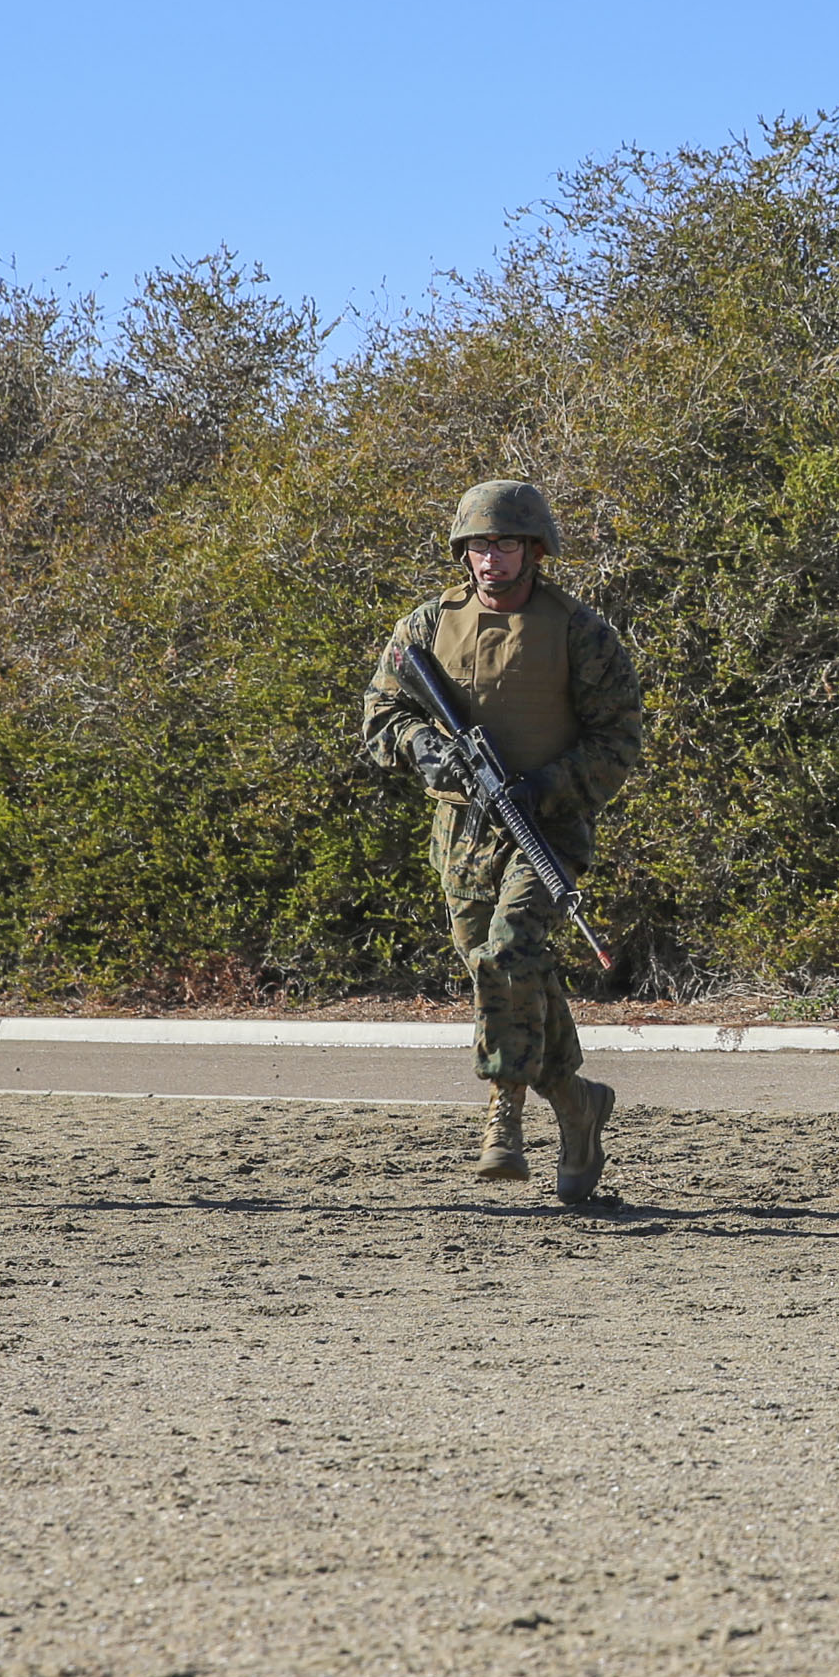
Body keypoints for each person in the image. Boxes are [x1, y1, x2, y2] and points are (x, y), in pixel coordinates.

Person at [362, 482, 644, 1203]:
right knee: (510, 979)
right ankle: (579, 1106)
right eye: (480, 545)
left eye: (507, 543)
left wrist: (546, 786)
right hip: (460, 830)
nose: (492, 559)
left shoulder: (579, 631)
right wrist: (423, 746)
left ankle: (503, 1119)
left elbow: (619, 738)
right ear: (464, 551)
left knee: (510, 949)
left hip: (544, 823)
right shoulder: (427, 624)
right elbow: (380, 713)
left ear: (535, 549)